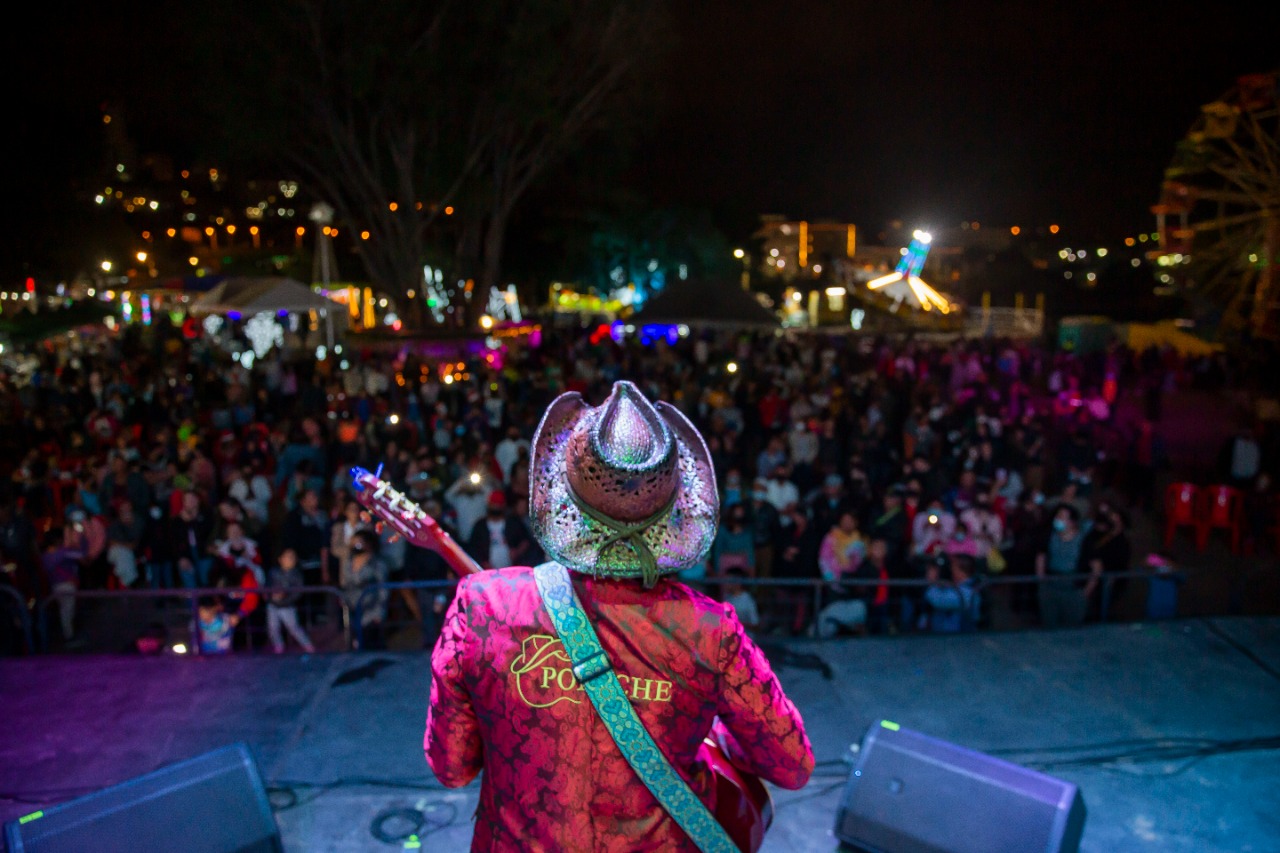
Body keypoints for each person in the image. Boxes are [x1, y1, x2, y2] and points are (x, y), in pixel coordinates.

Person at [425, 380, 813, 851]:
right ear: (674, 512)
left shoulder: (483, 605)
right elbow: (791, 766)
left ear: (565, 501)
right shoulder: (709, 631)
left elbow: (451, 767)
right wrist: (714, 736)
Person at [1036, 504, 1088, 628]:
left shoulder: (1083, 540)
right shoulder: (1049, 536)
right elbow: (1041, 557)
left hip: (1074, 587)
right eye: (1057, 516)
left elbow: (1096, 567)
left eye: (1062, 517)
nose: (1058, 520)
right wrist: (1041, 582)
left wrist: (1085, 592)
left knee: (1071, 625)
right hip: (1051, 584)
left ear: (1072, 522)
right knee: (1049, 623)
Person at [343, 529, 389, 650]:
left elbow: (383, 589)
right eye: (354, 542)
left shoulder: (377, 563)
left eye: (359, 542)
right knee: (354, 643)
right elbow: (347, 585)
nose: (355, 545)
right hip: (353, 610)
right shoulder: (348, 562)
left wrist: (380, 612)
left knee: (372, 643)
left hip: (371, 611)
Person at [266, 547, 315, 654]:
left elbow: (297, 592)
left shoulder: (297, 575)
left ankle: (307, 645)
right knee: (273, 628)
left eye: (293, 557)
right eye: (288, 557)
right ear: (280, 559)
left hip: (287, 607)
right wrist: (271, 596)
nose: (290, 560)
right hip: (273, 605)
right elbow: (267, 586)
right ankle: (278, 646)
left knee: (294, 628)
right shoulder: (273, 572)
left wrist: (285, 597)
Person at [924, 553, 982, 633]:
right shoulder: (957, 587)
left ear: (961, 571)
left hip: (959, 637)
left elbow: (938, 600)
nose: (950, 570)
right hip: (946, 636)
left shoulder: (968, 592)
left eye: (952, 567)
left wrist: (932, 581)